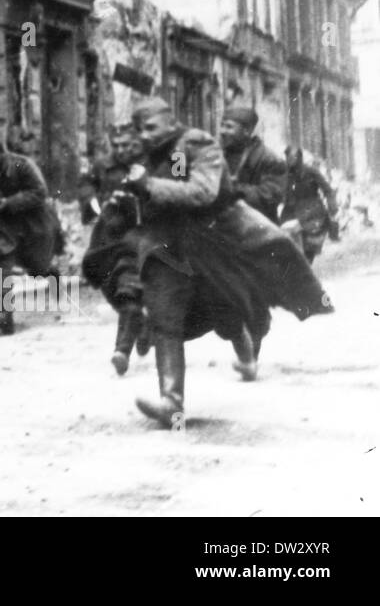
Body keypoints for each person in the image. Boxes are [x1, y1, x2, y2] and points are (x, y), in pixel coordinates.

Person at [121, 98, 333, 427]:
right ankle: (172, 403)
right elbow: (172, 185)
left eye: (150, 128)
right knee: (165, 314)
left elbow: (201, 192)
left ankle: (246, 357)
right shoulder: (157, 152)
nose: (144, 135)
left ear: (170, 122)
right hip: (169, 244)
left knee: (226, 305)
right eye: (139, 129)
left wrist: (148, 185)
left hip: (213, 242)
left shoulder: (194, 144)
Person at [0, 133, 61, 335]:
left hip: (33, 223)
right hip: (4, 224)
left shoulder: (22, 165)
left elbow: (40, 192)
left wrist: (9, 202)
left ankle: (52, 273)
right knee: (3, 265)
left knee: (37, 268)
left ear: (4, 152)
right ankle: (6, 318)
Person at [80, 125, 149, 374]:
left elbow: (176, 180)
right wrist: (93, 202)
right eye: (116, 145)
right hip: (107, 237)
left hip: (138, 236)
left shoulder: (150, 164)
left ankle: (122, 350)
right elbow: (86, 185)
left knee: (128, 288)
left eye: (127, 145)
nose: (121, 150)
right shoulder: (102, 165)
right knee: (109, 287)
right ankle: (140, 325)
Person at [219, 104, 286, 223]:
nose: (222, 131)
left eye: (229, 127)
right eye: (222, 126)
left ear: (246, 131)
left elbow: (268, 197)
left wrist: (233, 190)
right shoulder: (217, 155)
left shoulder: (270, 159)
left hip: (258, 231)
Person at [281, 148, 339, 263]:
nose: (291, 161)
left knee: (309, 248)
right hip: (290, 214)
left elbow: (327, 190)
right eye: (288, 157)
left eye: (294, 158)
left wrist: (332, 206)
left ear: (300, 158)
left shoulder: (311, 172)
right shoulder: (284, 174)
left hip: (311, 213)